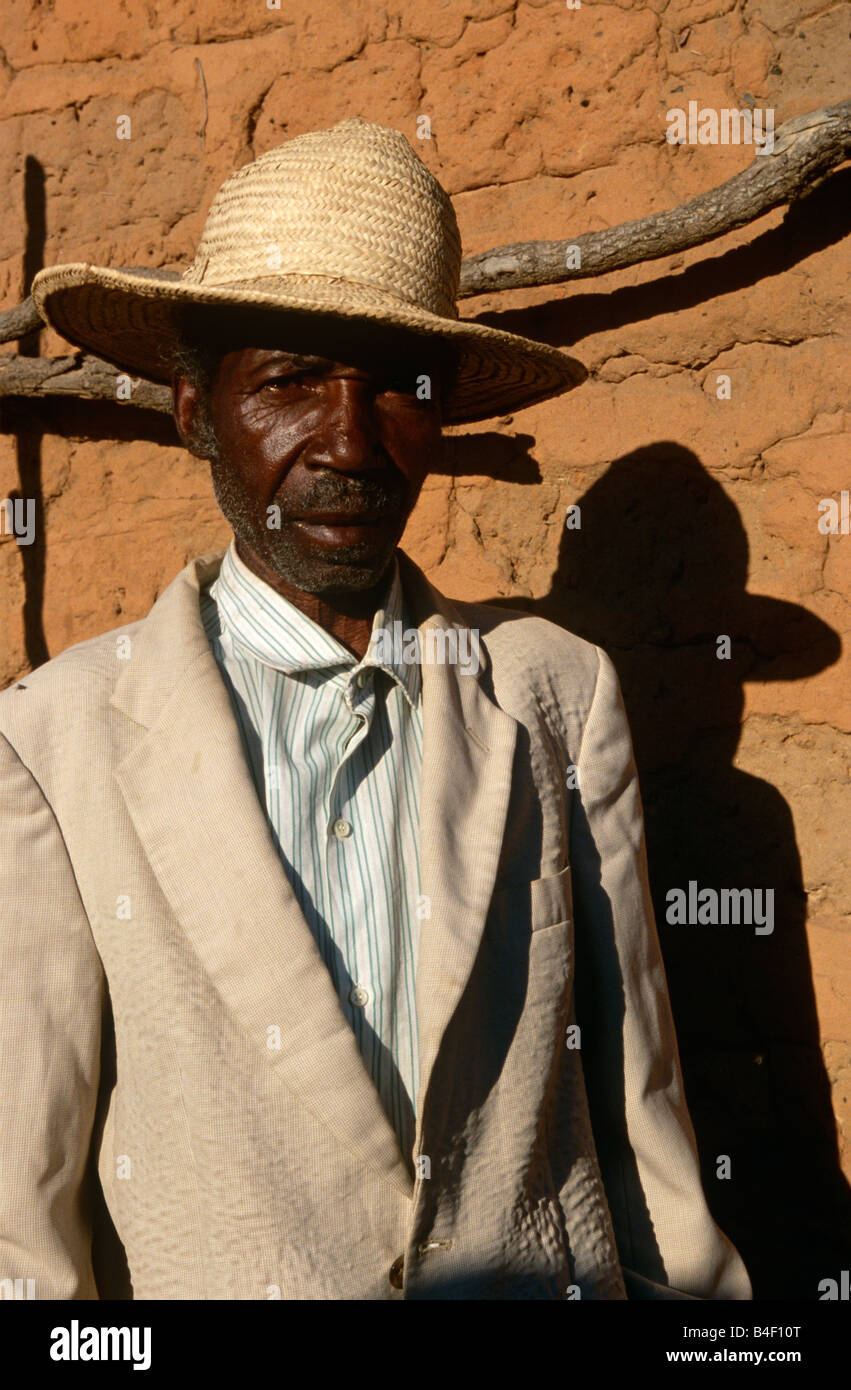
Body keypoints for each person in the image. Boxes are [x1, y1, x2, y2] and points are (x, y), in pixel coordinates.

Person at [0, 118, 750, 1300]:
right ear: (194, 412)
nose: (347, 444)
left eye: (394, 390)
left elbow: (641, 1119)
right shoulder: (57, 740)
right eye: (288, 381)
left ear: (440, 413)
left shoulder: (555, 691)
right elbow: (21, 1230)